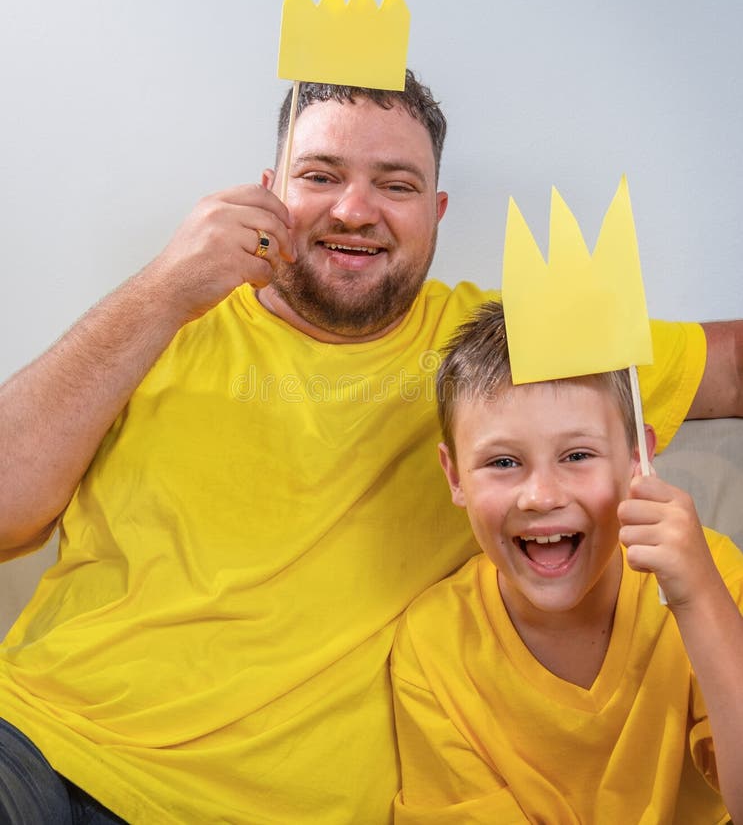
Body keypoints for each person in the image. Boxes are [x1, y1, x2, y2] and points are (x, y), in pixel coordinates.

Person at [0, 71, 739, 824]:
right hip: (33, 742)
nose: (354, 211)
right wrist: (159, 290)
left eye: (396, 184)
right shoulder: (166, 318)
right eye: (320, 176)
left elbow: (731, 366)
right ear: (267, 188)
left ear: (436, 212)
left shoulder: (507, 361)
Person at [391, 300, 743, 823]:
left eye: (577, 455)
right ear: (455, 476)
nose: (541, 495)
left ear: (635, 460)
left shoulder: (709, 570)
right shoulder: (433, 643)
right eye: (503, 462)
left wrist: (697, 600)